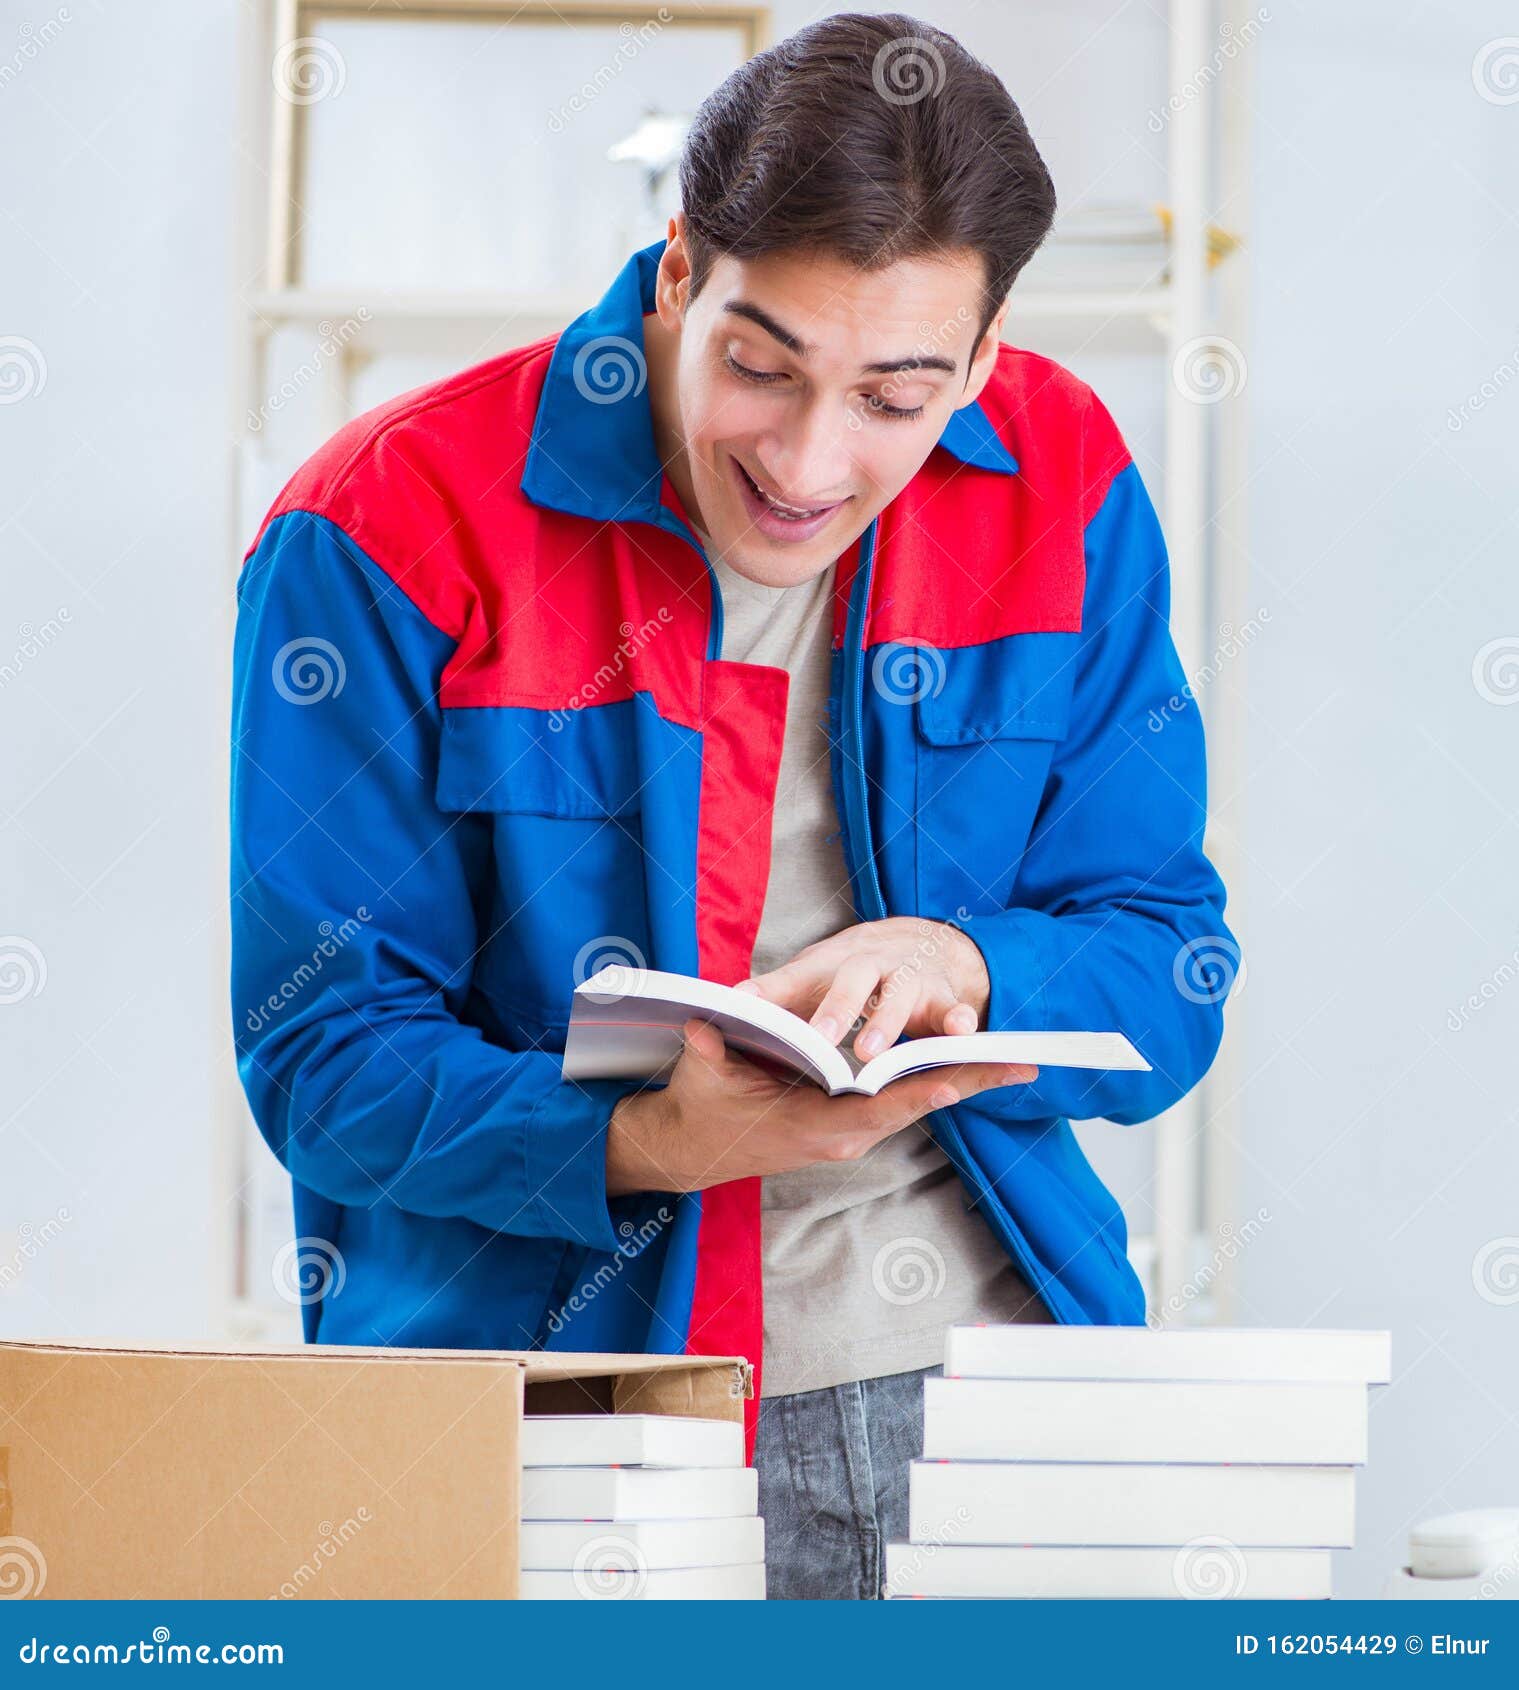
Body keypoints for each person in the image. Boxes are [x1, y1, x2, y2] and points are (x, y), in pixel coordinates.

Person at [230, 11, 1235, 1599]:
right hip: (571, 1424)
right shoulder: (384, 524)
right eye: (762, 367)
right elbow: (323, 1057)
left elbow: (1170, 961)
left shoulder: (1066, 479)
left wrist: (970, 968)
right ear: (680, 268)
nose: (810, 461)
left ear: (982, 363)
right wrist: (644, 1134)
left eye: (899, 396)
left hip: (995, 1408)